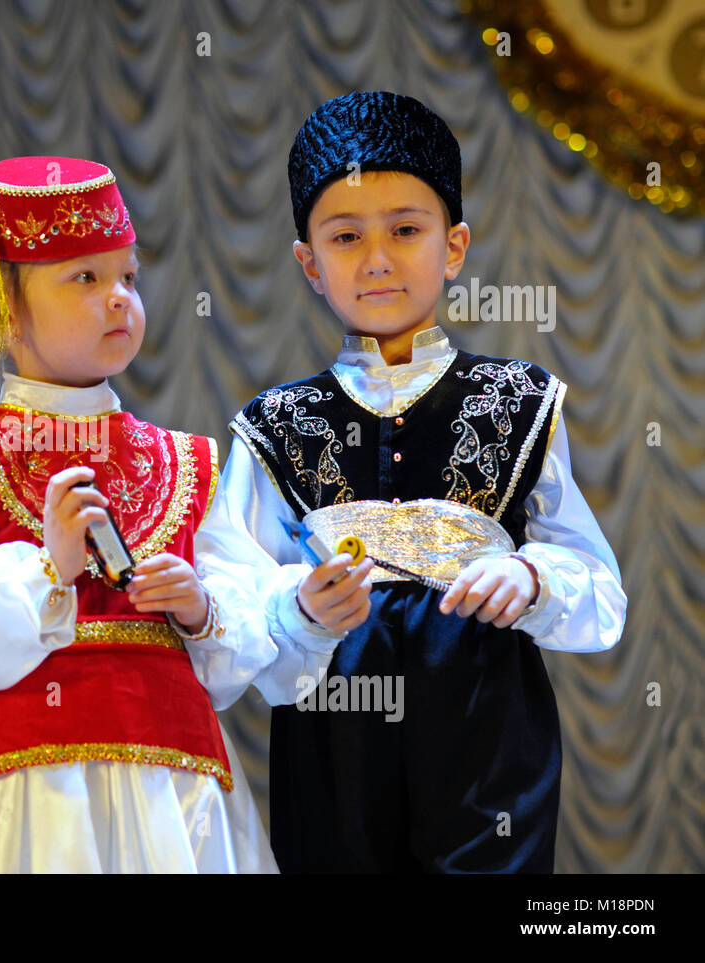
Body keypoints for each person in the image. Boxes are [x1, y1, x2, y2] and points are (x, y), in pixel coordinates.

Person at [0, 156, 372, 872]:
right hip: (28, 798)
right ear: (4, 309)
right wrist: (49, 568)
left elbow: (251, 628)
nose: (119, 298)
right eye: (85, 278)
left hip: (179, 793)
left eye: (128, 277)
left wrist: (203, 609)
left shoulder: (187, 461)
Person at [222, 90, 627, 872]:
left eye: (406, 230)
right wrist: (296, 607)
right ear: (308, 262)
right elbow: (233, 602)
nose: (377, 259)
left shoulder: (519, 400)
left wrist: (530, 576)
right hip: (333, 730)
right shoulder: (274, 423)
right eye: (345, 237)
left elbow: (599, 591)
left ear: (454, 246)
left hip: (486, 729)